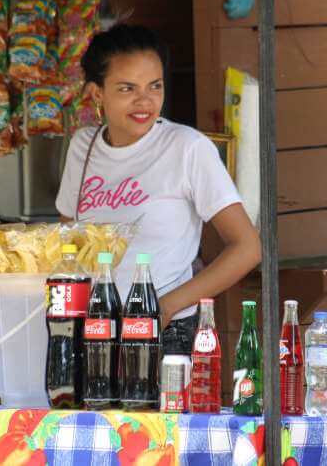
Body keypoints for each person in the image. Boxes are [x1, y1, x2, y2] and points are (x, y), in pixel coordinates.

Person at [56, 24, 261, 352]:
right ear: (97, 94)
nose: (145, 101)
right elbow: (68, 235)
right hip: (92, 328)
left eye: (155, 86)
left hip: (166, 333)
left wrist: (165, 306)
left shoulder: (187, 147)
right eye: (127, 89)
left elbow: (247, 247)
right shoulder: (83, 146)